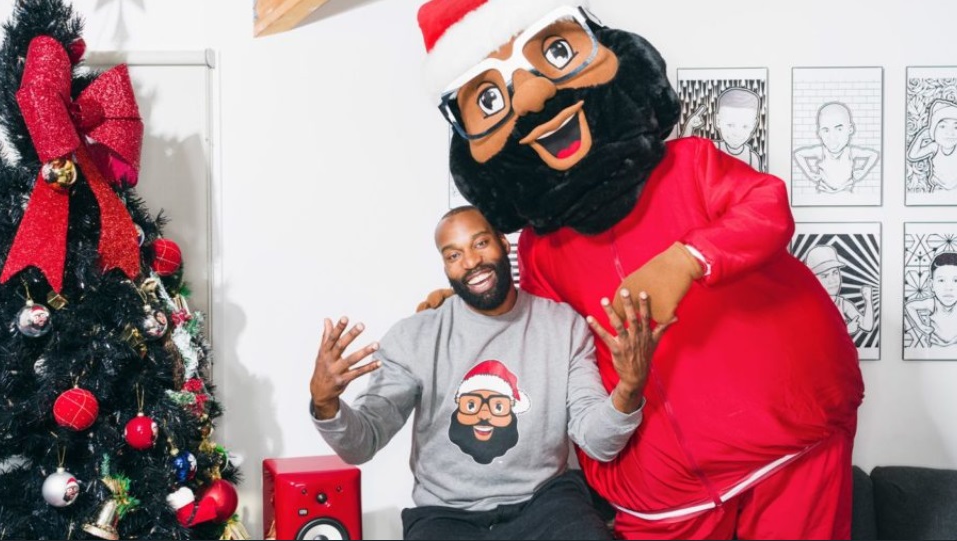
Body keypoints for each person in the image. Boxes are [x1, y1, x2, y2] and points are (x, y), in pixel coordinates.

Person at [414, 1, 863, 538]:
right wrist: (473, 307)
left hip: (790, 441)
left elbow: (765, 207)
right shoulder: (539, 250)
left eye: (555, 52)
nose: (534, 96)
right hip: (665, 489)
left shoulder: (690, 164)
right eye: (492, 98)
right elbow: (537, 334)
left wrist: (688, 259)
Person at [310, 206, 673, 540]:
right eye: (453, 255)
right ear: (445, 267)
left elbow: (597, 443)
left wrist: (629, 388)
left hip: (545, 503)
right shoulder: (414, 337)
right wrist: (326, 404)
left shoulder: (563, 327)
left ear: (503, 243)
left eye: (480, 243)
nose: (470, 262)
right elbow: (363, 443)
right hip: (446, 515)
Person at [793, 102, 880, 193]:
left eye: (839, 129)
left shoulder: (850, 151)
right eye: (826, 130)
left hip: (846, 192)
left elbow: (873, 154)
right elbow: (798, 154)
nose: (832, 137)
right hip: (823, 192)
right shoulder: (822, 151)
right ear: (819, 133)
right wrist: (809, 173)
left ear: (850, 129)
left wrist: (863, 171)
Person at [681, 87, 763, 171]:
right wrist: (689, 126)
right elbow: (683, 155)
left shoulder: (752, 158)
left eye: (745, 126)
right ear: (718, 121)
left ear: (754, 125)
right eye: (730, 125)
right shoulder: (712, 148)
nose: (737, 133)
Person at [805, 244, 874, 335]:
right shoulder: (809, 305)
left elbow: (867, 326)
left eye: (835, 272)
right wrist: (845, 330)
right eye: (825, 276)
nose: (833, 280)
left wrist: (868, 300)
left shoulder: (843, 304)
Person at [905, 251, 957, 347]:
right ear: (931, 285)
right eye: (941, 280)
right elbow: (909, 305)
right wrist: (920, 325)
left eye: (956, 280)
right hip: (935, 349)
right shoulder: (932, 304)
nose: (948, 288)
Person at [907, 99, 957, 192]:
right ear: (933, 131)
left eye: (956, 127)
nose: (950, 133)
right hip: (939, 190)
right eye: (943, 126)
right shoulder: (935, 147)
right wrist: (921, 136)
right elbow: (912, 155)